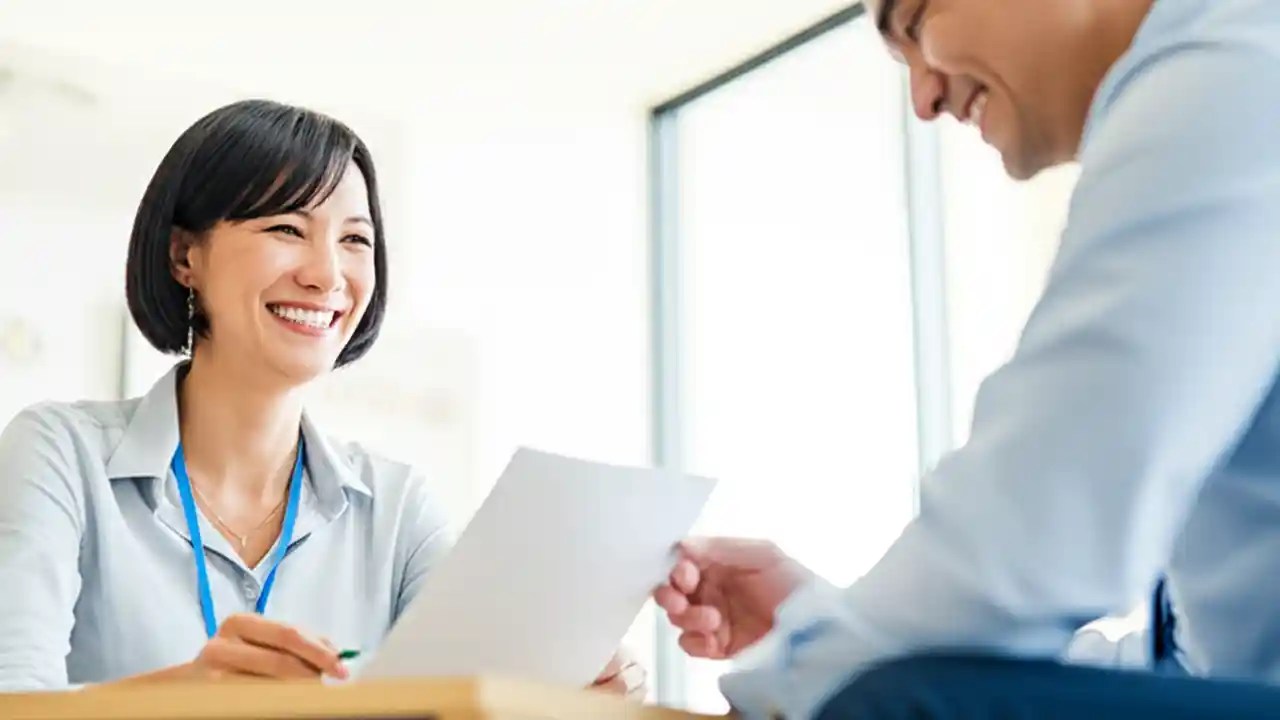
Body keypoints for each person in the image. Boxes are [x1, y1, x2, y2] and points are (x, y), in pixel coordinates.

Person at [654, 0, 1280, 717]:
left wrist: (802, 685)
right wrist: (822, 629)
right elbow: (1191, 665)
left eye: (915, 25)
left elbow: (1044, 525)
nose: (923, 98)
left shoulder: (1235, 77)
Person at [0, 99, 645, 697]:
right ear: (183, 256)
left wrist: (554, 690)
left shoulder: (397, 511)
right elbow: (12, 697)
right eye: (287, 227)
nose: (327, 275)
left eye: (354, 240)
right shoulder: (60, 455)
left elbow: (452, 697)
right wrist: (189, 694)